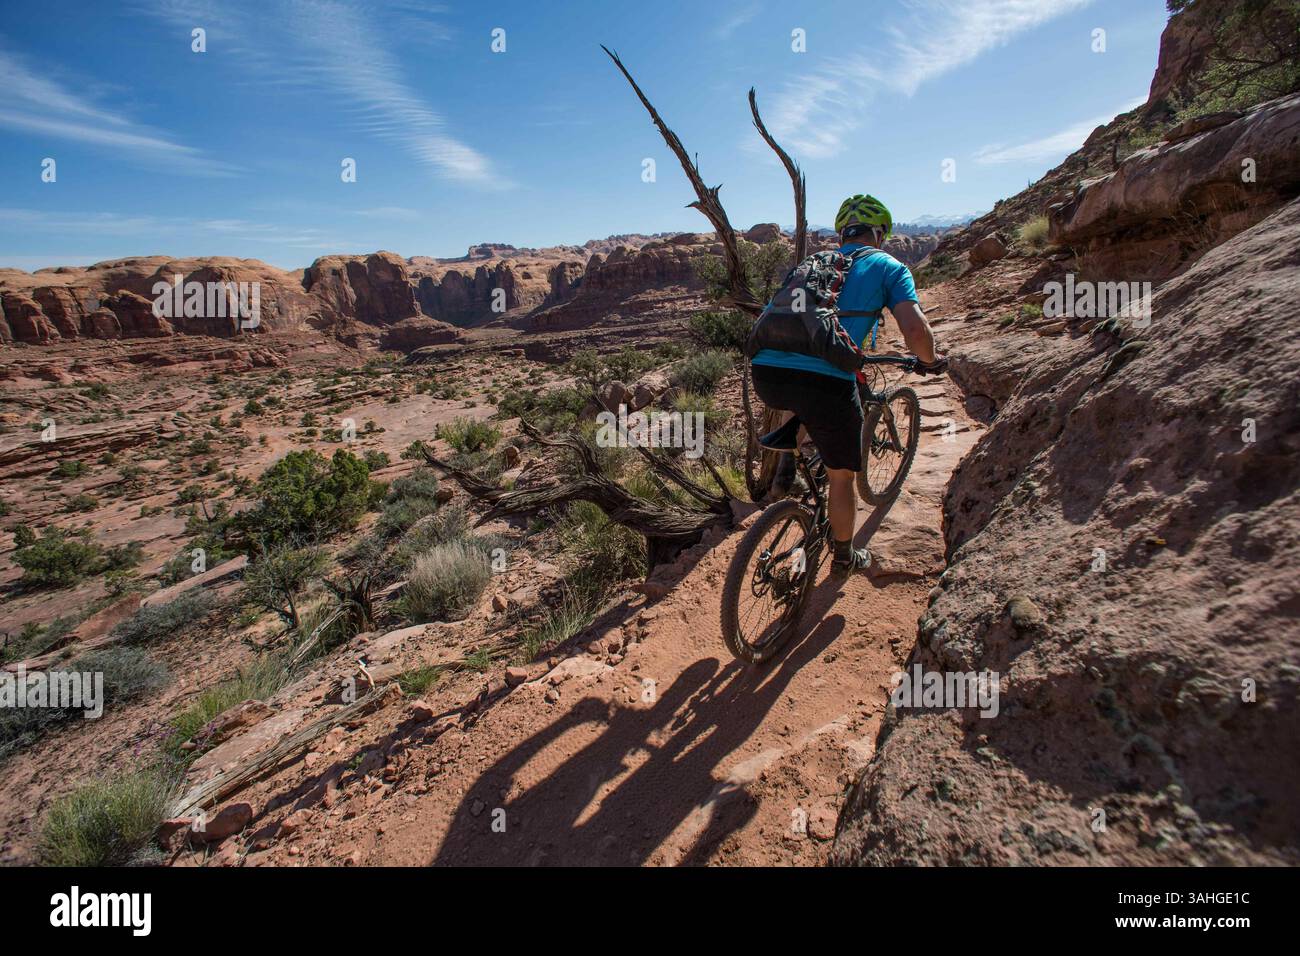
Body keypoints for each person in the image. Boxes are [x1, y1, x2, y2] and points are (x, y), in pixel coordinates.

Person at [749, 193, 946, 577]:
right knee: (842, 475)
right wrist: (929, 361)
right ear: (879, 232)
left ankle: (789, 455)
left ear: (844, 233)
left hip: (767, 372)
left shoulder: (811, 264)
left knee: (804, 392)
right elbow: (913, 328)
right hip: (824, 381)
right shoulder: (889, 266)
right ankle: (844, 556)